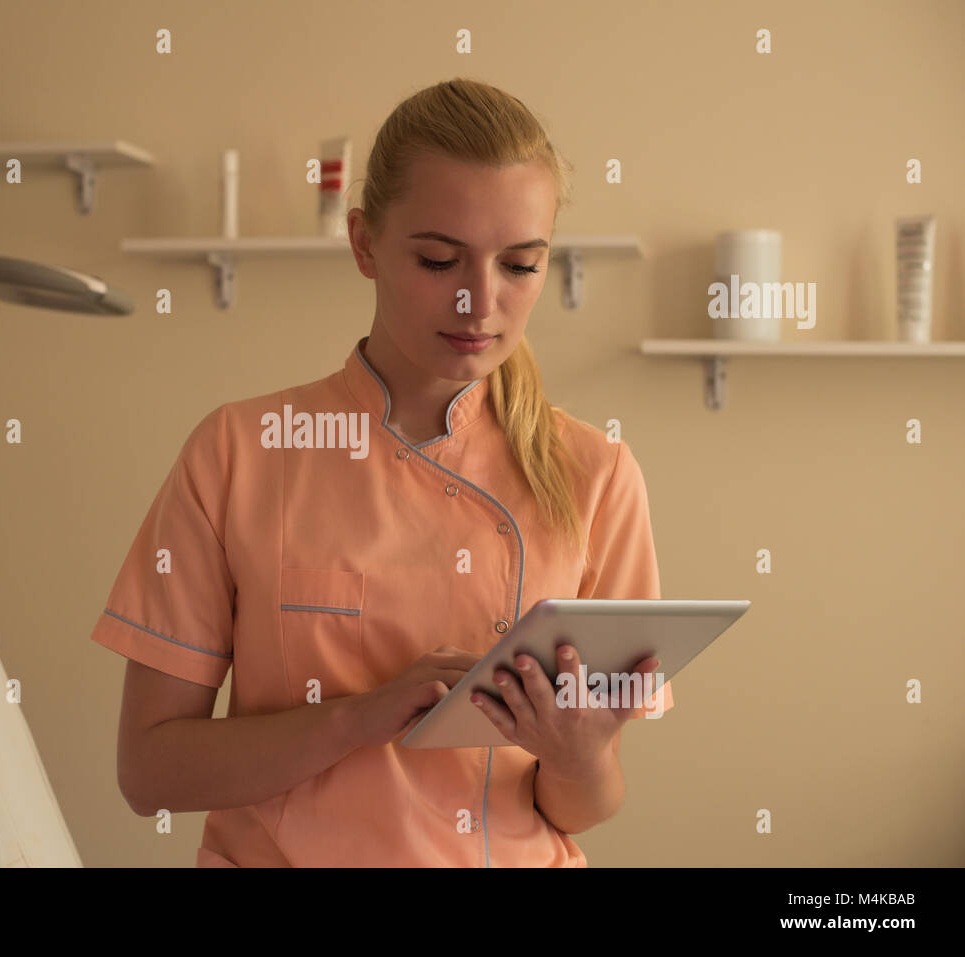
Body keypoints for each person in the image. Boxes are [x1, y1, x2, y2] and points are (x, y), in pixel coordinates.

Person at [91, 77, 673, 867]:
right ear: (364, 243)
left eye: (520, 265)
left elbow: (585, 805)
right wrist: (355, 719)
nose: (480, 301)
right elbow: (149, 771)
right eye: (439, 259)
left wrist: (577, 755)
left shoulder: (596, 474)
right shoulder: (238, 452)